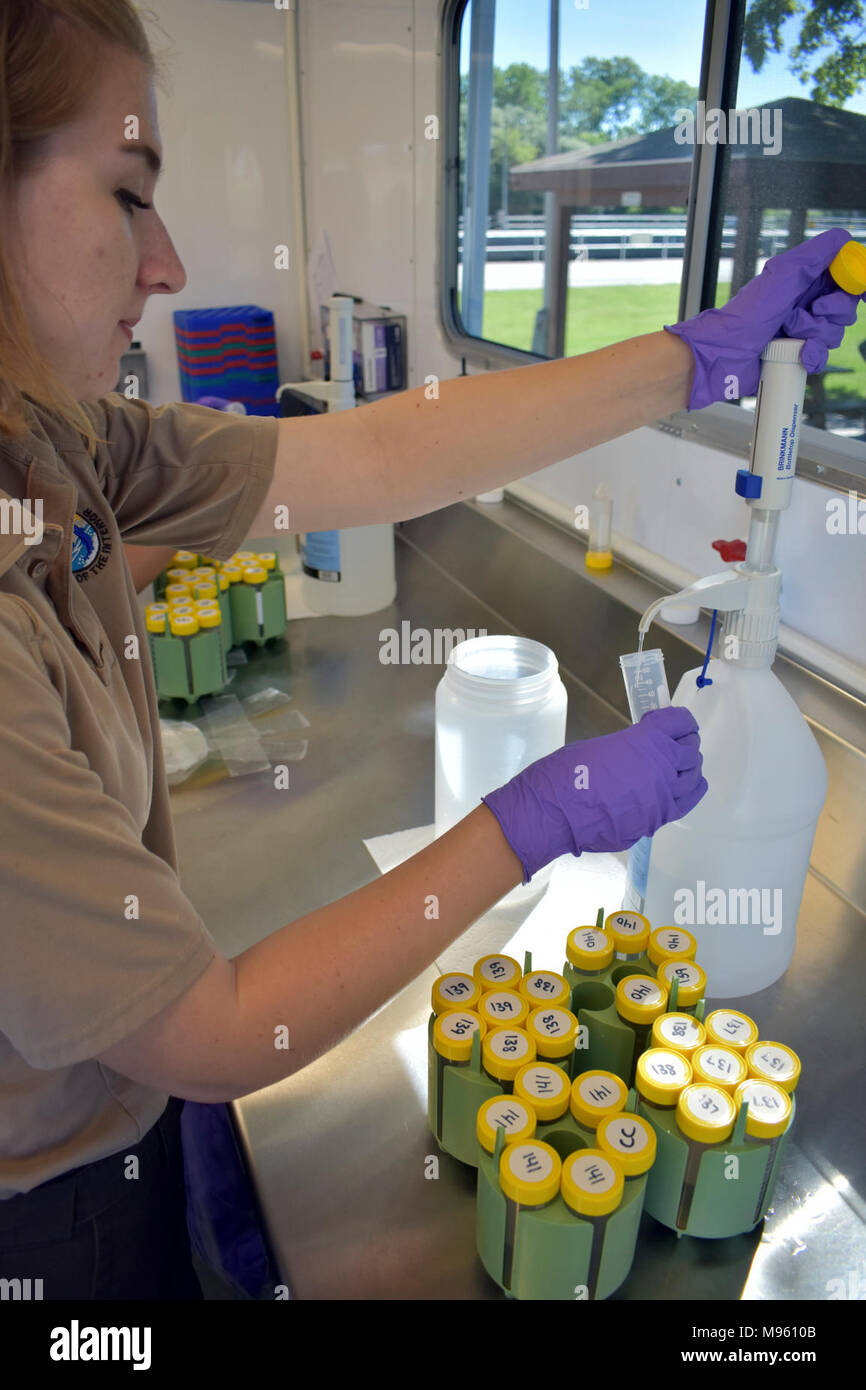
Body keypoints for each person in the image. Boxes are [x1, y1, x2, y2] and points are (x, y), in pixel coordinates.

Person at [0, 0, 859, 1301]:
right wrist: (529, 818)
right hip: (43, 1212)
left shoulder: (65, 442)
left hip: (113, 1118)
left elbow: (376, 452)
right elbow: (216, 1031)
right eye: (127, 195)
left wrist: (694, 360)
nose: (166, 261)